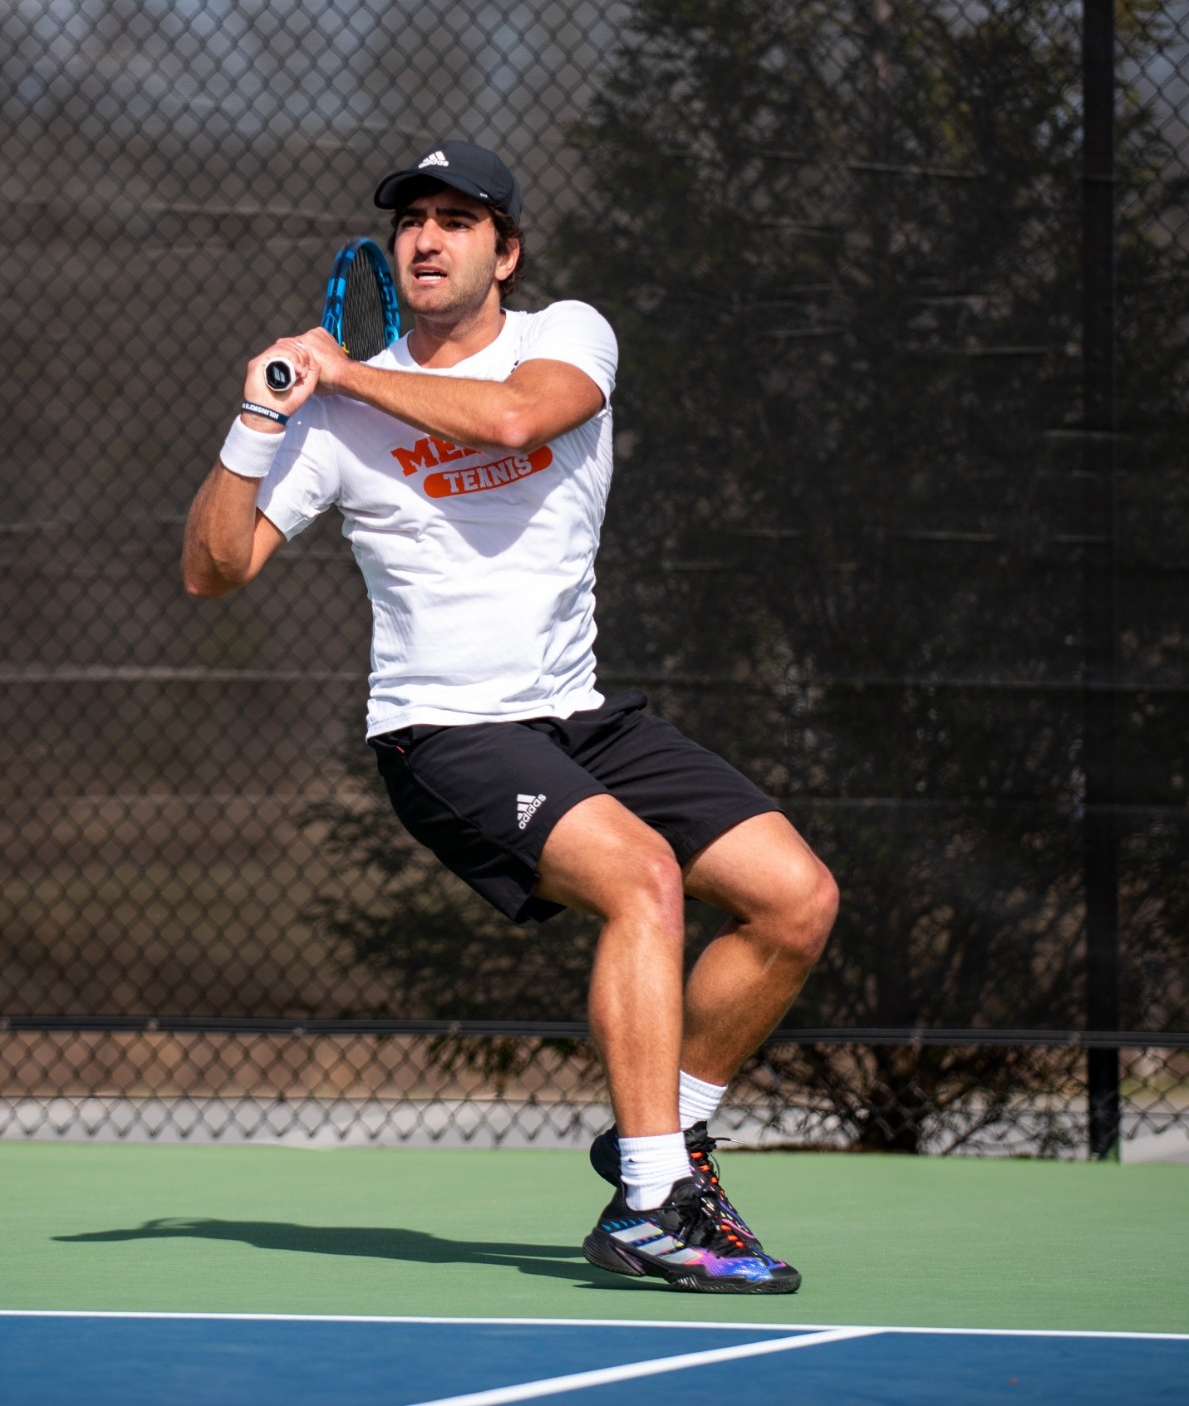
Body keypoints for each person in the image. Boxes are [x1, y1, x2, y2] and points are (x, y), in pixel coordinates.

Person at [181, 141, 838, 1294]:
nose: (426, 238)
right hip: (442, 733)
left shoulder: (566, 336)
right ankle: (654, 1205)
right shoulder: (331, 426)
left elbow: (516, 421)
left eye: (456, 219)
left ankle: (661, 1134)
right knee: (643, 877)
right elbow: (213, 568)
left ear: (507, 251)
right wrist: (258, 418)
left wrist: (346, 376)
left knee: (795, 898)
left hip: (578, 714)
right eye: (411, 220)